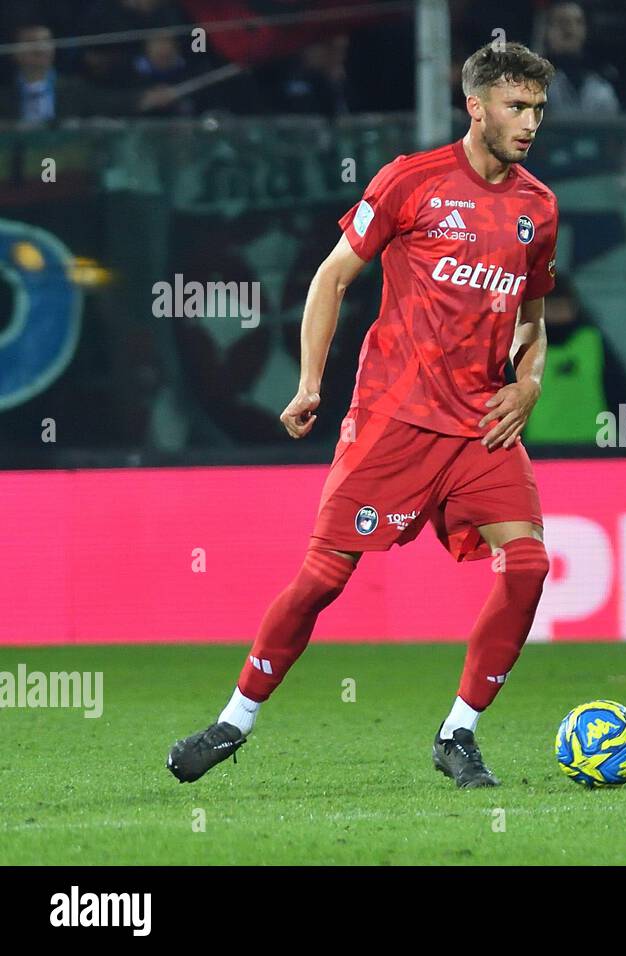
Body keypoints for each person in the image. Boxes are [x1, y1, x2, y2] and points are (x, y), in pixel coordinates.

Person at [167, 41, 560, 790]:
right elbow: (331, 277)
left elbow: (533, 322)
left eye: (538, 108)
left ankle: (459, 733)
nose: (530, 121)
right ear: (475, 107)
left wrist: (530, 383)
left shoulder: (538, 207)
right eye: (516, 106)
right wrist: (309, 381)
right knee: (322, 579)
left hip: (481, 424)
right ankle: (234, 720)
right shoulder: (411, 181)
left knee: (530, 564)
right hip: (395, 418)